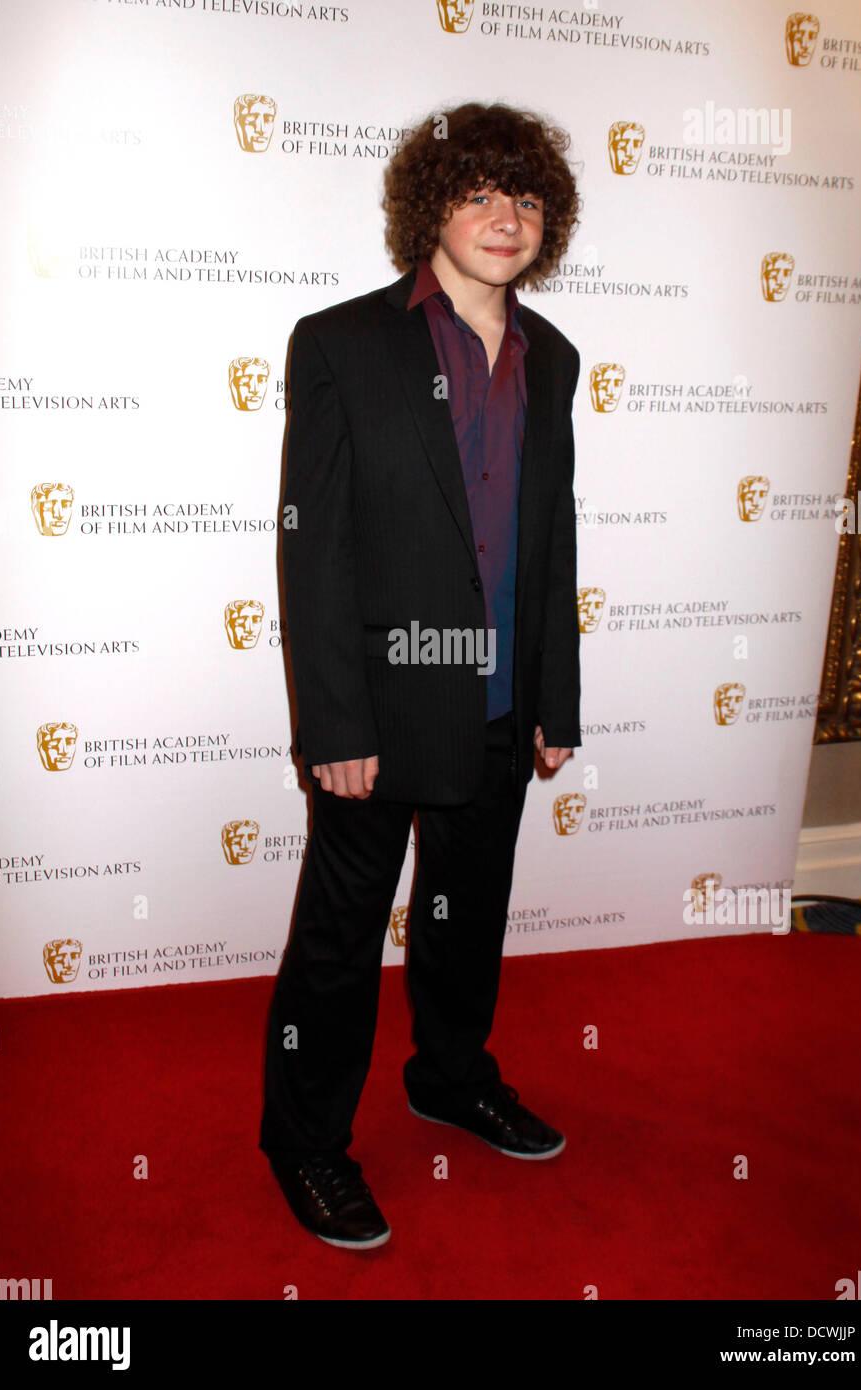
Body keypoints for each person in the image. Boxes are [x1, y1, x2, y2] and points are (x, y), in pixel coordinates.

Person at [260, 101, 582, 1250]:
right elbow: (314, 542)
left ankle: (449, 1075)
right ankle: (304, 1140)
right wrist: (333, 721)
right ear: (429, 208)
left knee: (464, 918)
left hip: (497, 707)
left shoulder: (552, 358)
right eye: (481, 192)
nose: (507, 216)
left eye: (528, 196)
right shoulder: (341, 343)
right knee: (340, 940)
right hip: (382, 715)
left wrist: (553, 698)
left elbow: (550, 538)